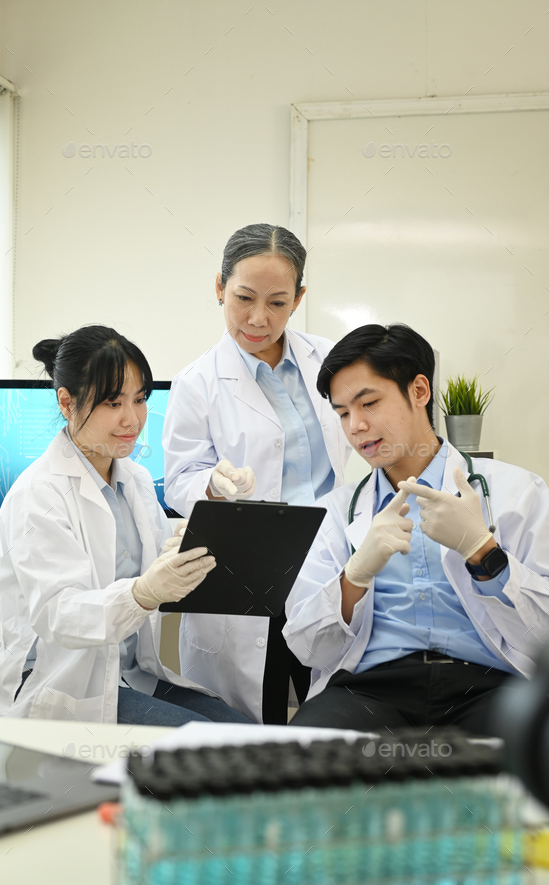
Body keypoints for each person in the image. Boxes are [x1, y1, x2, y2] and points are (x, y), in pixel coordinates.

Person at [0, 325, 252, 725]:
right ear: (67, 402)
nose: (132, 419)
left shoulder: (136, 481)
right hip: (61, 682)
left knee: (248, 735)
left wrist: (216, 508)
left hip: (129, 675)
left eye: (140, 399)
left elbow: (165, 563)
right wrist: (141, 594)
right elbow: (59, 614)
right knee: (212, 750)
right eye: (112, 402)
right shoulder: (37, 494)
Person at [284, 323, 549, 735]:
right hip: (369, 691)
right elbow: (307, 647)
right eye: (342, 413)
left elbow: (543, 639)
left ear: (419, 391)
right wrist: (354, 576)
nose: (355, 426)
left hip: (492, 686)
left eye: (368, 403)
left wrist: (484, 552)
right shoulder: (334, 514)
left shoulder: (520, 491)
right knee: (303, 765)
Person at [162, 223, 351, 723]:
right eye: (243, 297)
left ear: (300, 298)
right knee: (251, 725)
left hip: (326, 562)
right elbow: (179, 476)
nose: (258, 319)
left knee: (330, 714)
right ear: (219, 287)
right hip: (247, 570)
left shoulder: (330, 361)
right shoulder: (196, 382)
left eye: (278, 302)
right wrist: (211, 484)